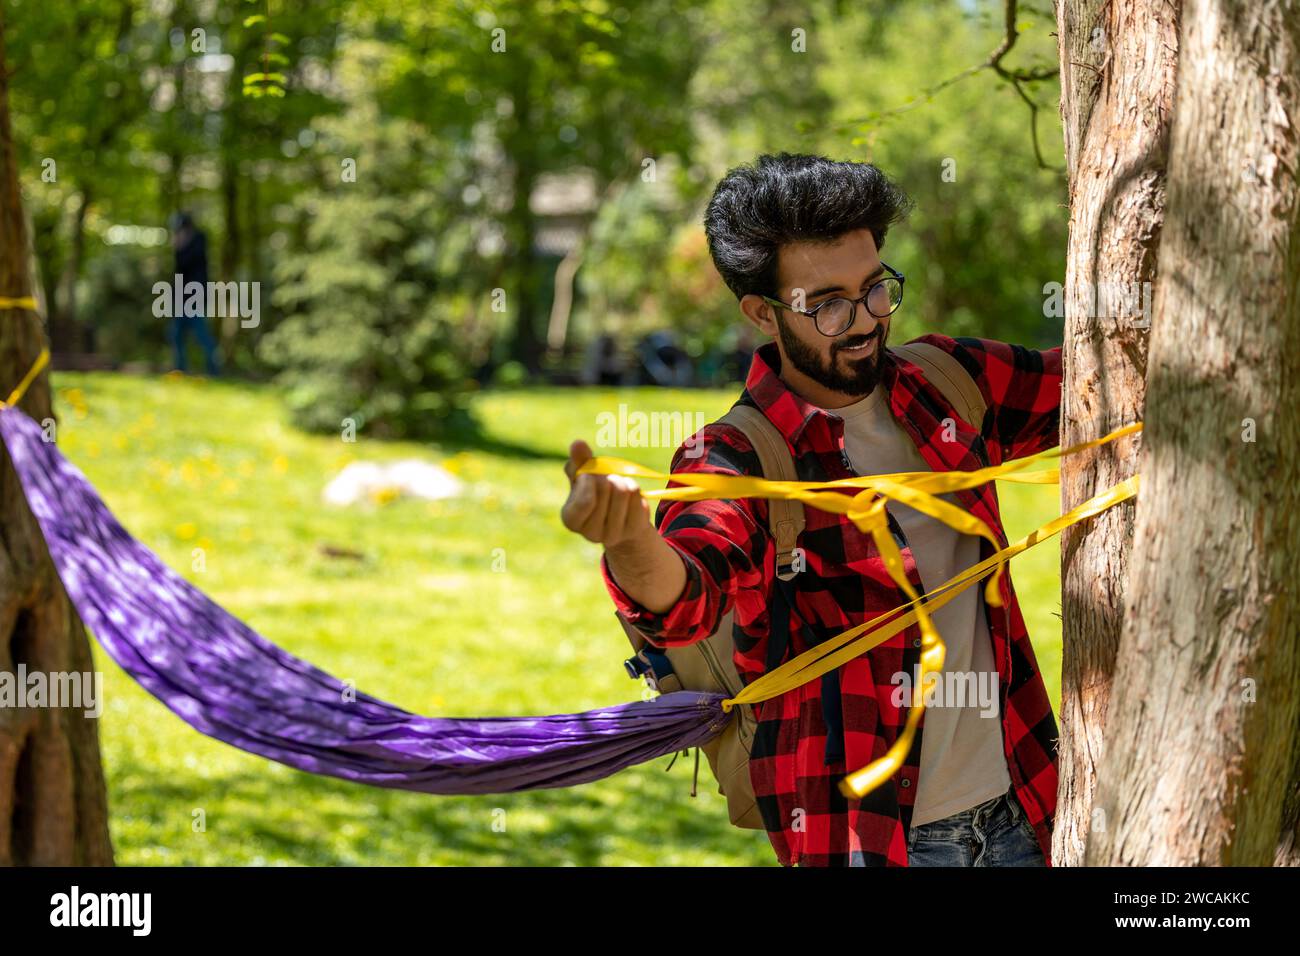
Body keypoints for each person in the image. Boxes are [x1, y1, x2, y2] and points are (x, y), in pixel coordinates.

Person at [560, 153, 1061, 867]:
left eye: (875, 288)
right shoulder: (733, 458)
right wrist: (631, 544)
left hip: (1028, 800)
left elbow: (1097, 381)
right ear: (763, 313)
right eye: (826, 302)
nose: (863, 321)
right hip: (873, 838)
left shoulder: (951, 381)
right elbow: (687, 596)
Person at [167, 211, 221, 376]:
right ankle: (180, 369)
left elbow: (187, 263)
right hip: (182, 297)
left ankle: (213, 369)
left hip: (195, 295)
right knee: (176, 334)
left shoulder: (198, 240)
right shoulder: (185, 243)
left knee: (201, 334)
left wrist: (180, 247)